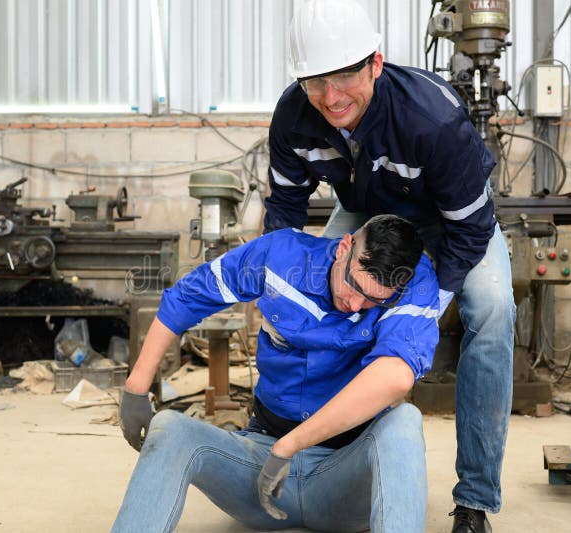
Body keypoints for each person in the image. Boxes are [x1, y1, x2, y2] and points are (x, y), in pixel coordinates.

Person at [263, 1, 516, 532]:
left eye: (345, 76)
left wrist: (427, 304)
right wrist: (277, 288)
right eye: (314, 81)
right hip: (366, 211)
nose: (331, 98)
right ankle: (303, 438)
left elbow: (471, 231)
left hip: (449, 220)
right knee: (313, 297)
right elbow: (285, 214)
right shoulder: (293, 117)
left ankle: (474, 500)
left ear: (375, 63)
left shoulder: (435, 121)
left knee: (493, 312)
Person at [114, 214, 439, 532]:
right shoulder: (280, 256)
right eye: (353, 285)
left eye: (372, 301)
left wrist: (290, 446)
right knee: (170, 427)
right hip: (261, 462)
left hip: (343, 476)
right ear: (344, 247)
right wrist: (136, 386)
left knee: (404, 422)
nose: (355, 305)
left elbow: (396, 376)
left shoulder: (411, 280)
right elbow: (189, 295)